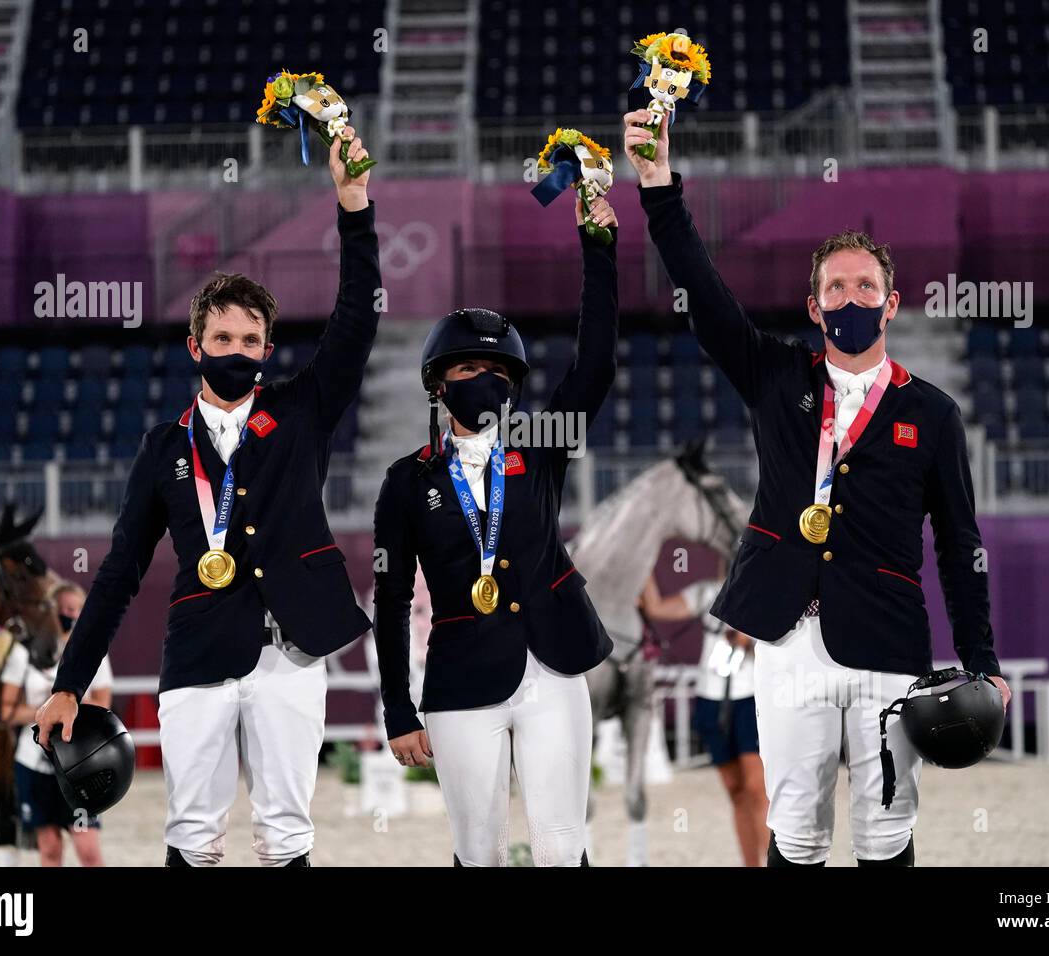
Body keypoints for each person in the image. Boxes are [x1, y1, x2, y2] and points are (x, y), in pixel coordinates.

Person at [623, 110, 1010, 867]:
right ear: (814, 307)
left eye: (867, 285)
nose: (852, 297)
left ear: (892, 303)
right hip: (786, 638)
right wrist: (659, 186)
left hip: (889, 645)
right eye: (836, 288)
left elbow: (962, 545)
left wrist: (982, 658)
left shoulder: (933, 413)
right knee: (795, 832)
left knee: (886, 833)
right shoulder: (777, 378)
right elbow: (703, 292)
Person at [35, 129, 380, 867]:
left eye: (250, 339)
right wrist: (70, 684)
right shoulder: (164, 448)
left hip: (290, 654)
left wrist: (353, 206)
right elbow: (122, 570)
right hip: (197, 654)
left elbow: (355, 322)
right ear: (195, 347)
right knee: (191, 835)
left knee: (286, 834)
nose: (236, 350)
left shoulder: (301, 411)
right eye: (221, 336)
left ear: (266, 350)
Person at [372, 194, 619, 867]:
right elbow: (391, 601)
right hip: (461, 677)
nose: (483, 382)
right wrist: (398, 706)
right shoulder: (406, 480)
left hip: (555, 663)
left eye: (498, 374)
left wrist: (598, 245)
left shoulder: (542, 443)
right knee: (476, 852)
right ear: (437, 387)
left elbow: (594, 367)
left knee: (563, 847)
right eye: (466, 372)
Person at [639, 571, 769, 866]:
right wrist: (645, 567)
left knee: (756, 789)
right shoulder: (707, 590)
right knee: (735, 791)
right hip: (711, 696)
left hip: (750, 696)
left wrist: (751, 637)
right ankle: (750, 863)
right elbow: (657, 607)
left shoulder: (762, 586)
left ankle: (771, 861)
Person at [1, 581, 110, 866]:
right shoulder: (23, 652)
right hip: (34, 761)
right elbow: (7, 711)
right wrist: (45, 711)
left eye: (73, 609)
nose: (67, 614)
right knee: (49, 848)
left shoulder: (92, 651)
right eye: (61, 608)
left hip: (79, 765)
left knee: (87, 847)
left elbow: (103, 704)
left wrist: (68, 705)